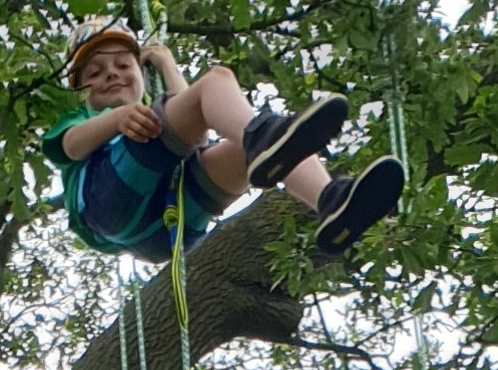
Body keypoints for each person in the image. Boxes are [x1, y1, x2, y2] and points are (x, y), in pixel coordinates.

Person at [43, 17, 406, 267]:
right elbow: (72, 146)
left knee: (253, 149)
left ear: (141, 75)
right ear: (81, 91)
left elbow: (196, 134)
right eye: (95, 72)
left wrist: (167, 64)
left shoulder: (151, 117)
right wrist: (116, 118)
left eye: (124, 65)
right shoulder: (85, 118)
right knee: (217, 80)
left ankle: (329, 201)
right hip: (107, 202)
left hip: (169, 229)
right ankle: (263, 137)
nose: (111, 73)